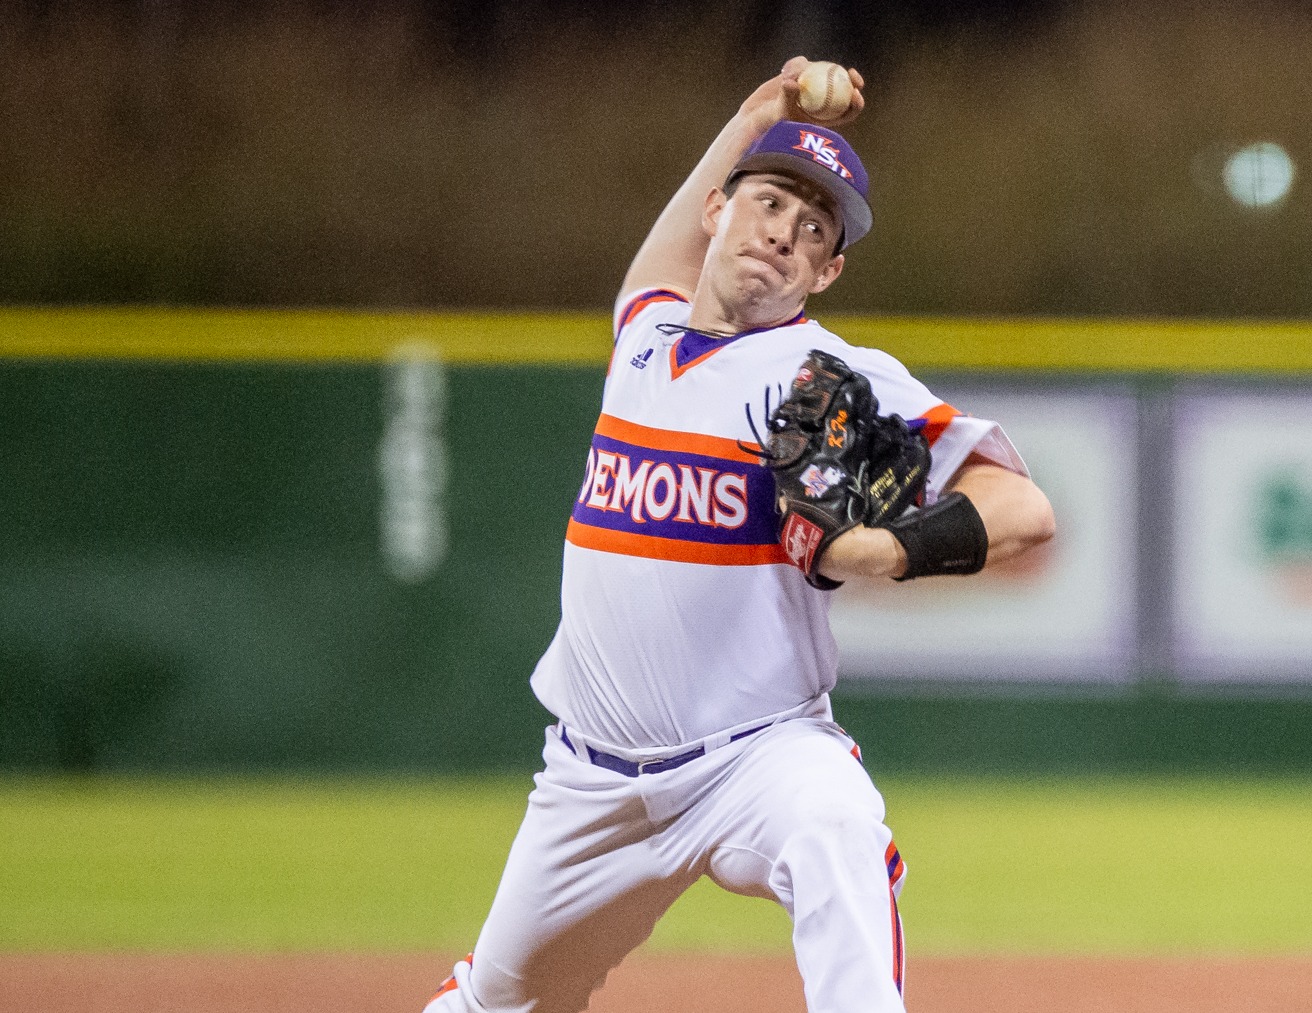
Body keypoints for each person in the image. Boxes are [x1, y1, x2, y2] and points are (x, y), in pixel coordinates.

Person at [422, 58, 1055, 1013]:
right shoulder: (644, 335)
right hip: (590, 780)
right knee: (496, 1003)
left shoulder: (821, 368)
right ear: (718, 210)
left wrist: (887, 550)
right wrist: (761, 107)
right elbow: (658, 263)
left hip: (754, 756)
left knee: (837, 828)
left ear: (828, 271)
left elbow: (1023, 508)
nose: (784, 234)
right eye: (768, 203)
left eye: (814, 230)